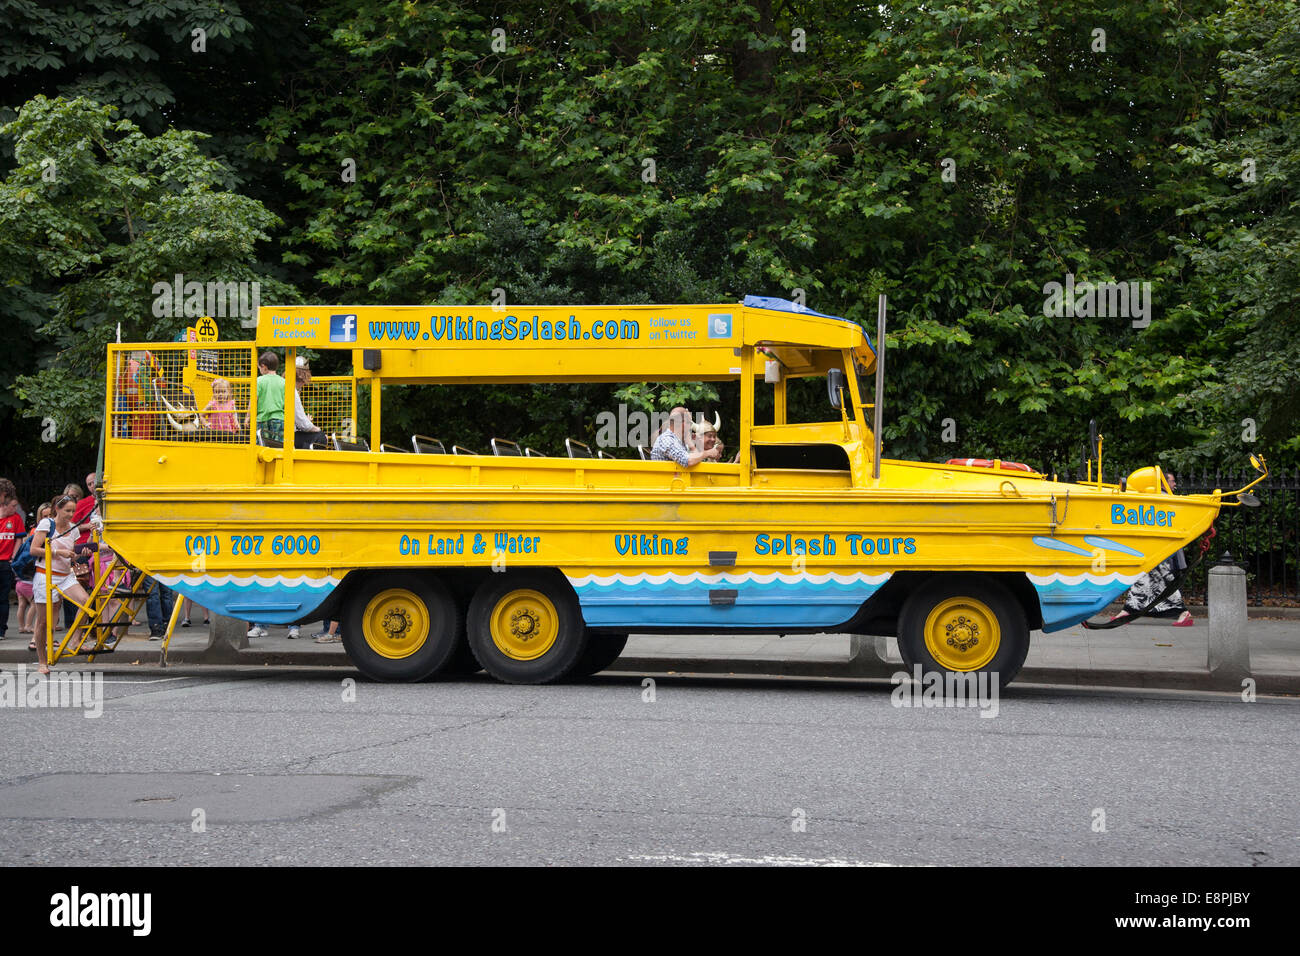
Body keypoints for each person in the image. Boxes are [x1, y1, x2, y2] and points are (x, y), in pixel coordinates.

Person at [1114, 472, 1193, 626]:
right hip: (1161, 550)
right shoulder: (1165, 499)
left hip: (1156, 550)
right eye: (1172, 481)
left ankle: (1182, 612)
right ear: (1162, 483)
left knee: (1151, 580)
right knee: (1148, 580)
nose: (1174, 484)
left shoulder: (1155, 498)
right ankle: (1127, 611)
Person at [29, 494, 95, 674]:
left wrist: (85, 549)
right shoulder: (47, 524)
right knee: (43, 621)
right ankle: (42, 661)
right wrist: (58, 552)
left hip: (66, 576)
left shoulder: (73, 529)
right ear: (57, 509)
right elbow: (34, 549)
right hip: (45, 575)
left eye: (73, 511)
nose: (71, 514)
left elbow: (74, 554)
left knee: (86, 601)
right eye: (67, 510)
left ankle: (75, 639)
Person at [14, 501, 51, 635]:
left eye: (50, 515)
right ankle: (29, 625)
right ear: (39, 518)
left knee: (22, 605)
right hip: (30, 580)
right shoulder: (39, 532)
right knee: (35, 604)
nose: (48, 519)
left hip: (20, 581)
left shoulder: (33, 531)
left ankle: (21, 626)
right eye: (45, 516)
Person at [649, 406, 721, 467]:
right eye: (689, 423)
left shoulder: (678, 441)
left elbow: (696, 461)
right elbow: (688, 461)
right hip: (667, 479)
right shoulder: (667, 439)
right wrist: (708, 453)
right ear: (683, 423)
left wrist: (691, 445)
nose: (690, 427)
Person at [0, 478, 25, 641]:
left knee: (3, 597)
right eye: (13, 506)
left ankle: (1, 630)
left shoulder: (15, 518)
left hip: (5, 562)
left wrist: (13, 557)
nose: (15, 509)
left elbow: (19, 539)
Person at [292, 357, 324, 449]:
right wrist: (316, 428)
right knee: (321, 438)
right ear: (302, 378)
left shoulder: (283, 385)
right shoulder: (292, 391)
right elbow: (302, 422)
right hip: (288, 436)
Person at [255, 351, 285, 443]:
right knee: (278, 446)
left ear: (264, 366)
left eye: (259, 368)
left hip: (262, 419)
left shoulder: (259, 380)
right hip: (279, 418)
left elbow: (254, 400)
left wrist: (248, 417)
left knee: (261, 446)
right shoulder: (283, 382)